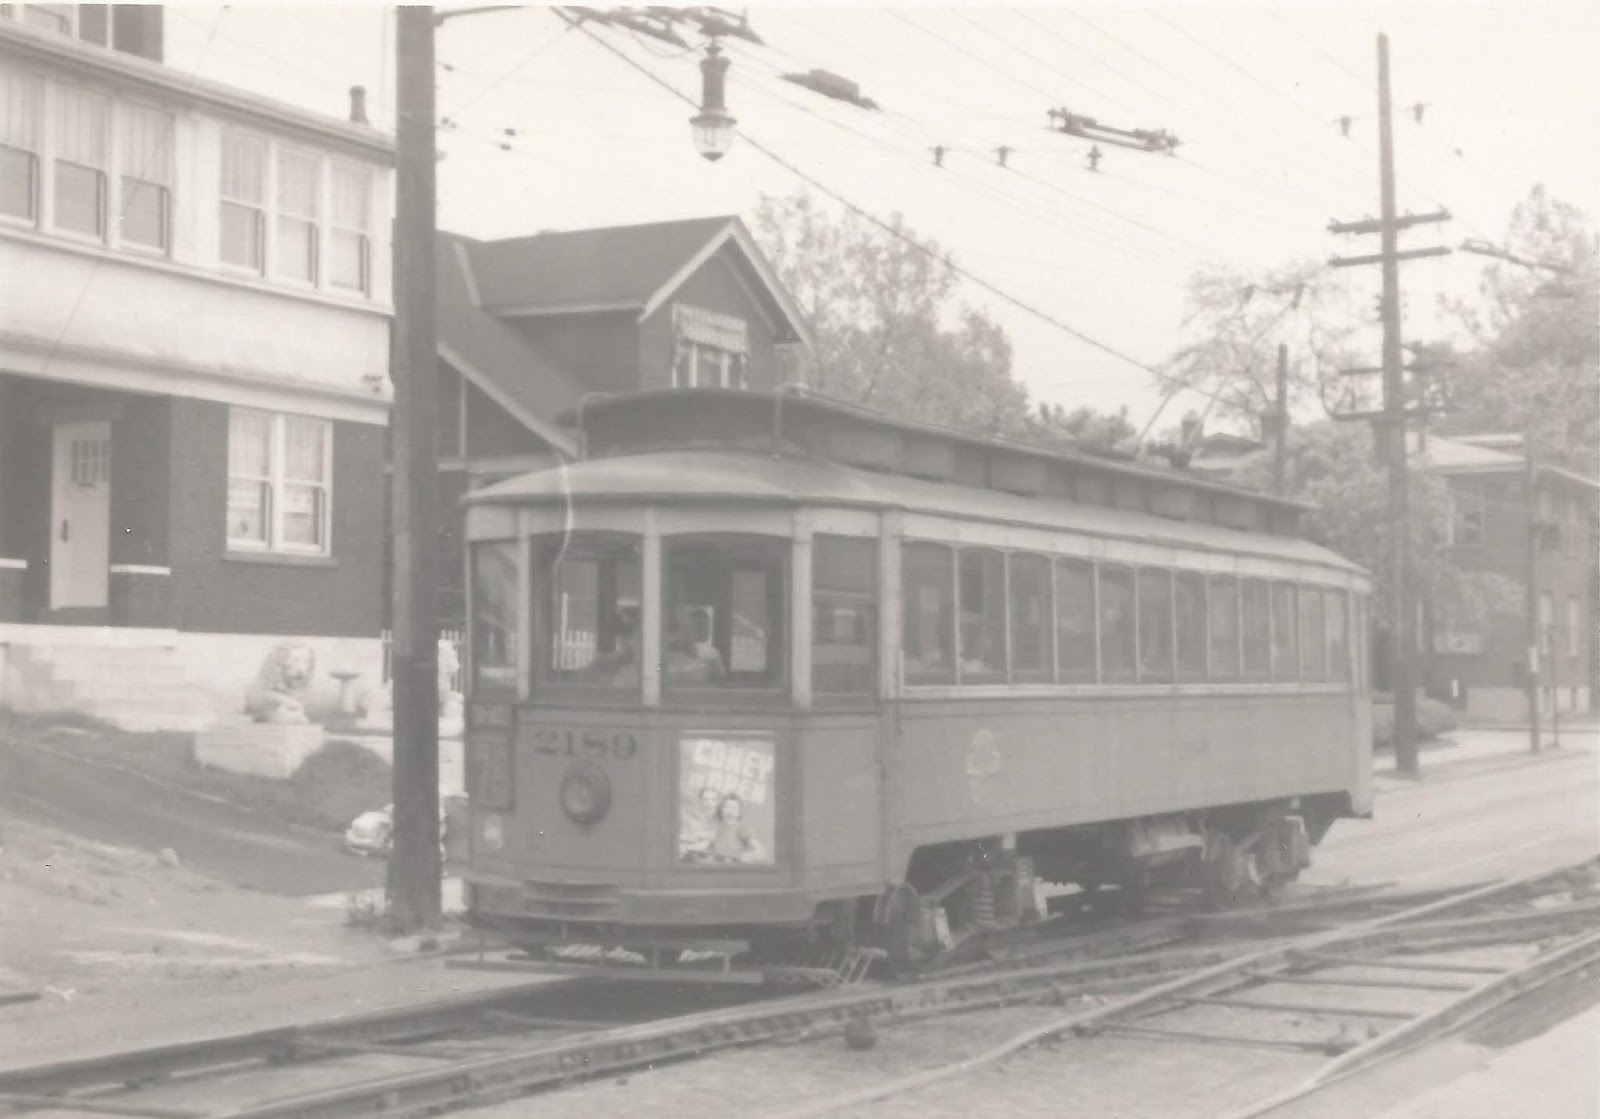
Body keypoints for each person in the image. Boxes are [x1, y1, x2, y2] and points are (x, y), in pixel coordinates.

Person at [708, 793, 766, 864]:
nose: (730, 810)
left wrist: (744, 856)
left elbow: (761, 852)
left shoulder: (741, 827)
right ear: (721, 809)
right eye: (726, 806)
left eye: (734, 808)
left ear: (739, 811)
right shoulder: (717, 827)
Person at [678, 785, 721, 862]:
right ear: (700, 801)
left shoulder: (720, 822)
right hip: (687, 858)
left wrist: (687, 846)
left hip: (709, 861)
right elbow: (681, 836)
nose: (710, 803)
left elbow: (705, 844)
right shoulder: (689, 817)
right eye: (706, 800)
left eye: (713, 800)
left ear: (717, 802)